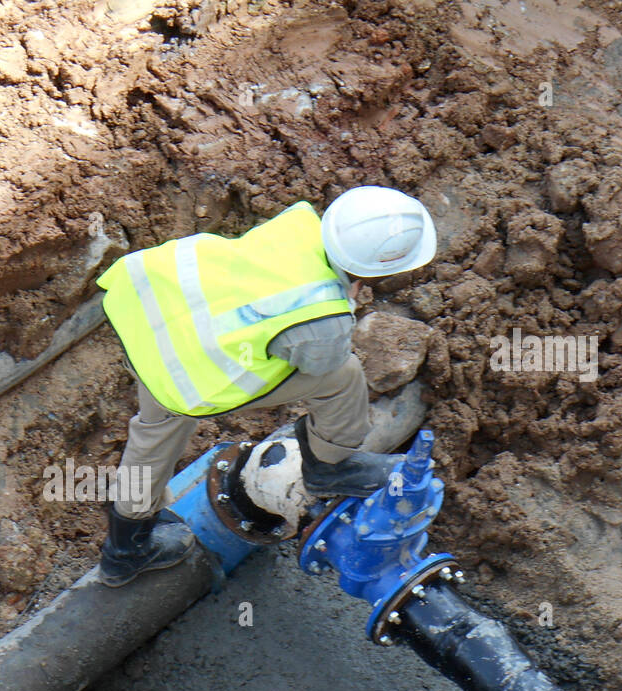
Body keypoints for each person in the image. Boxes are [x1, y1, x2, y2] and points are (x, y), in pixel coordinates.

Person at [94, 186, 436, 587]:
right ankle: (328, 466)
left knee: (153, 432)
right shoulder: (322, 317)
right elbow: (320, 363)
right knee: (343, 378)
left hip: (146, 311)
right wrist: (343, 303)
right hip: (181, 367)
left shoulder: (298, 223)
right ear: (379, 268)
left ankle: (129, 533)